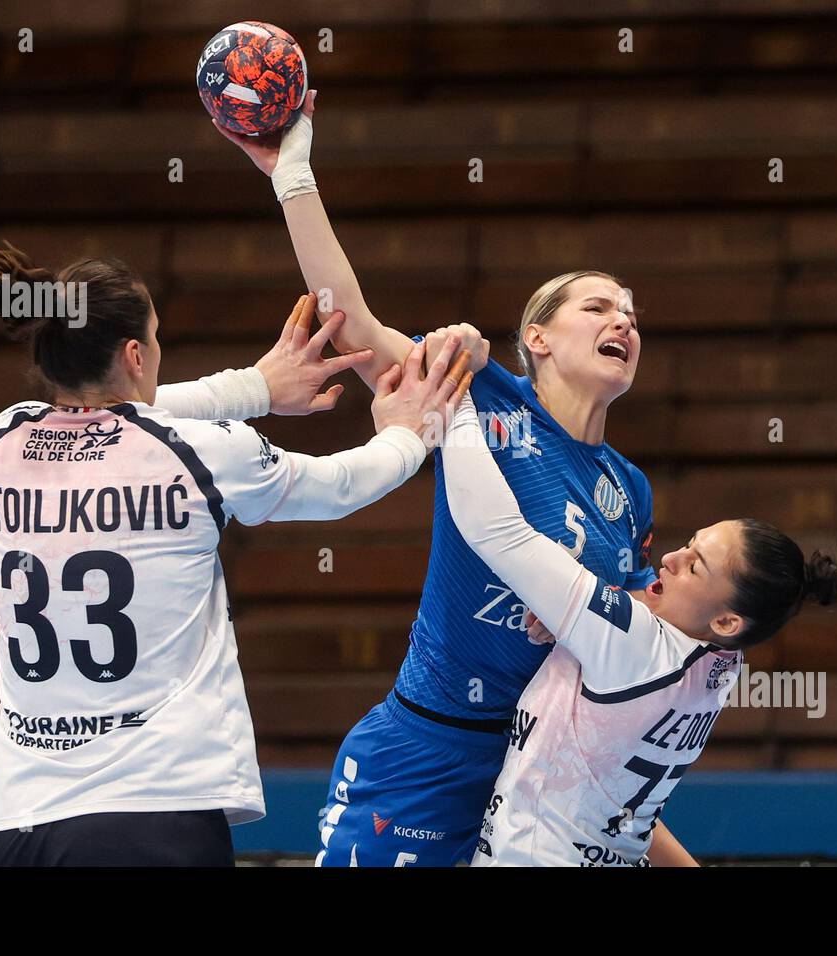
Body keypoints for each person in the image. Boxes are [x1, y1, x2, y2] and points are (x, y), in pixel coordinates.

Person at [215, 92, 660, 866]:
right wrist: (293, 177)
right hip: (431, 745)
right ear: (538, 338)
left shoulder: (632, 489)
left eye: (630, 316)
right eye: (598, 308)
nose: (623, 322)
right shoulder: (471, 387)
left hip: (542, 769)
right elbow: (345, 321)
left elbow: (637, 635)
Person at [0, 242, 472, 865]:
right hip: (151, 816)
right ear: (134, 354)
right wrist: (407, 432)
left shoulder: (1, 441)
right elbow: (341, 487)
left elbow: (120, 414)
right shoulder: (201, 453)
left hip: (16, 823)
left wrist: (256, 386)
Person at [440, 393, 837, 866]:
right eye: (689, 545)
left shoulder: (629, 639)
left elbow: (496, 529)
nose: (671, 559)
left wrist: (456, 411)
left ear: (727, 620)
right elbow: (633, 817)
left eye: (696, 567)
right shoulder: (723, 664)